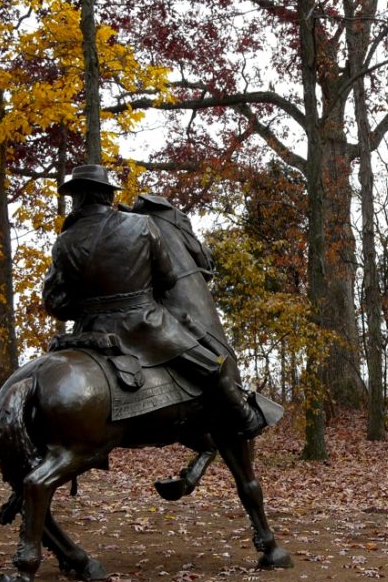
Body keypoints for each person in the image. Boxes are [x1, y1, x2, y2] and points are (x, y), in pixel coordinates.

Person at [42, 164, 268, 439]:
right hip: (145, 325)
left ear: (76, 198)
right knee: (214, 365)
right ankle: (245, 417)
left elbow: (55, 303)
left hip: (89, 333)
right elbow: (168, 279)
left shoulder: (64, 241)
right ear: (107, 196)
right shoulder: (141, 225)